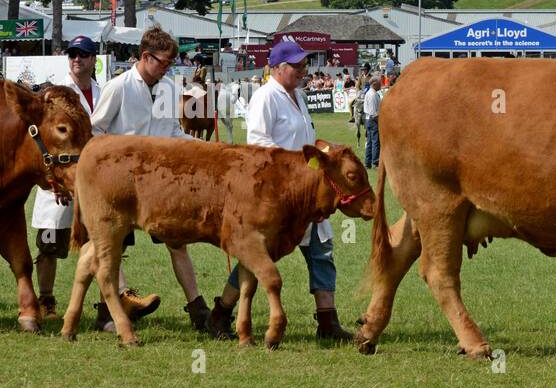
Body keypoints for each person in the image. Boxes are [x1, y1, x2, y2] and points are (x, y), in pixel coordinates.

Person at [203, 39, 353, 343]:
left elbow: (305, 138)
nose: (302, 71)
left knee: (321, 249)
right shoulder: (265, 97)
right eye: (296, 66)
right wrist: (298, 165)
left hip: (307, 193)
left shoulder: (297, 95)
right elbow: (259, 146)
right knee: (257, 256)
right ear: (276, 68)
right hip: (276, 195)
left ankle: (328, 321)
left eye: (304, 66)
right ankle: (220, 313)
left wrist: (321, 150)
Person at [89, 25, 209, 332]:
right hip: (121, 184)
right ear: (145, 56)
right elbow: (96, 131)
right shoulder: (118, 87)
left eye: (171, 63)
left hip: (160, 184)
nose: (168, 68)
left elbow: (172, 133)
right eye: (164, 62)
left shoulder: (168, 87)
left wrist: (209, 150)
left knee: (177, 241)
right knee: (113, 246)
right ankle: (114, 306)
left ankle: (198, 309)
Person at [32, 37, 157, 323]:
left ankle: (109, 308)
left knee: (107, 242)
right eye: (73, 54)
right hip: (60, 182)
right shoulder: (52, 95)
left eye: (83, 54)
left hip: (95, 184)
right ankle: (46, 302)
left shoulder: (104, 92)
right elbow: (43, 143)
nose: (77, 59)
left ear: (93, 60)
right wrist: (53, 181)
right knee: (50, 243)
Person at [363, 79, 382, 168]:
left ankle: (368, 162)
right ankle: (375, 162)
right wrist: (380, 122)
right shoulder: (373, 95)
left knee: (370, 141)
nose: (380, 85)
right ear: (374, 84)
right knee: (375, 141)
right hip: (373, 120)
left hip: (368, 119)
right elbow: (374, 113)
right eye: (379, 84)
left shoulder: (370, 93)